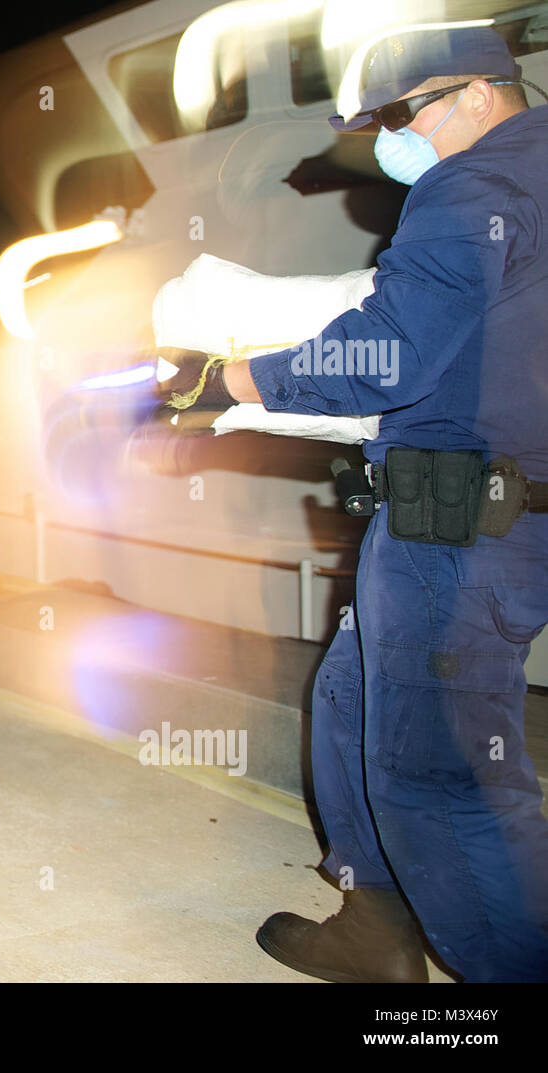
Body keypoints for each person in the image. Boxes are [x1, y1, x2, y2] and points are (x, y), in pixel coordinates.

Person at [169, 25, 548, 982]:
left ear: (477, 93)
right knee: (351, 693)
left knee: (442, 777)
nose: (391, 139)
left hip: (456, 529)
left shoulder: (473, 187)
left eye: (400, 114)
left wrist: (232, 380)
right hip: (507, 516)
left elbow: (386, 353)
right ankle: (375, 927)